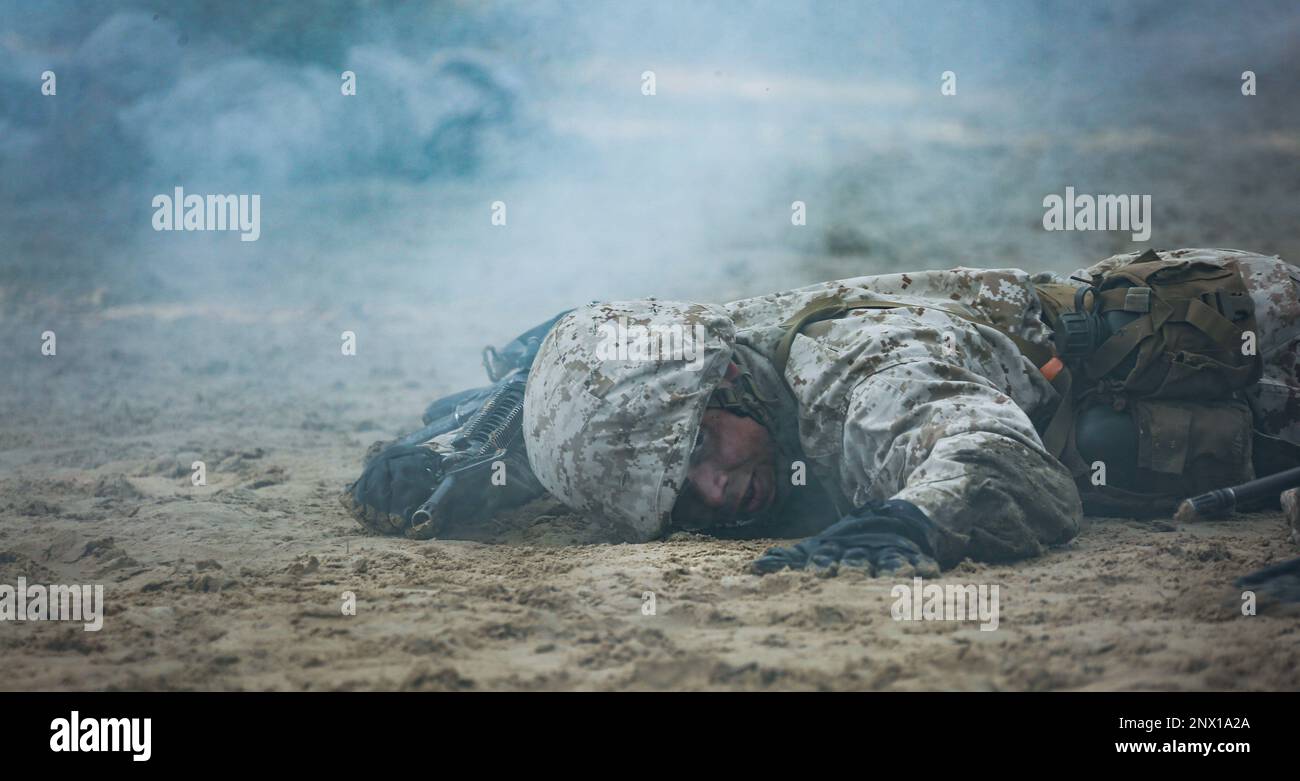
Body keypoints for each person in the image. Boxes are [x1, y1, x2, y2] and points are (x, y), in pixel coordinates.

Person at [347, 248, 1300, 578]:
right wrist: (475, 442)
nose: (716, 493)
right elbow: (600, 397)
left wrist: (913, 518)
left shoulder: (853, 377)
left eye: (702, 453)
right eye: (683, 498)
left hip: (1262, 360)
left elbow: (1003, 462)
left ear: (722, 388)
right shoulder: (696, 368)